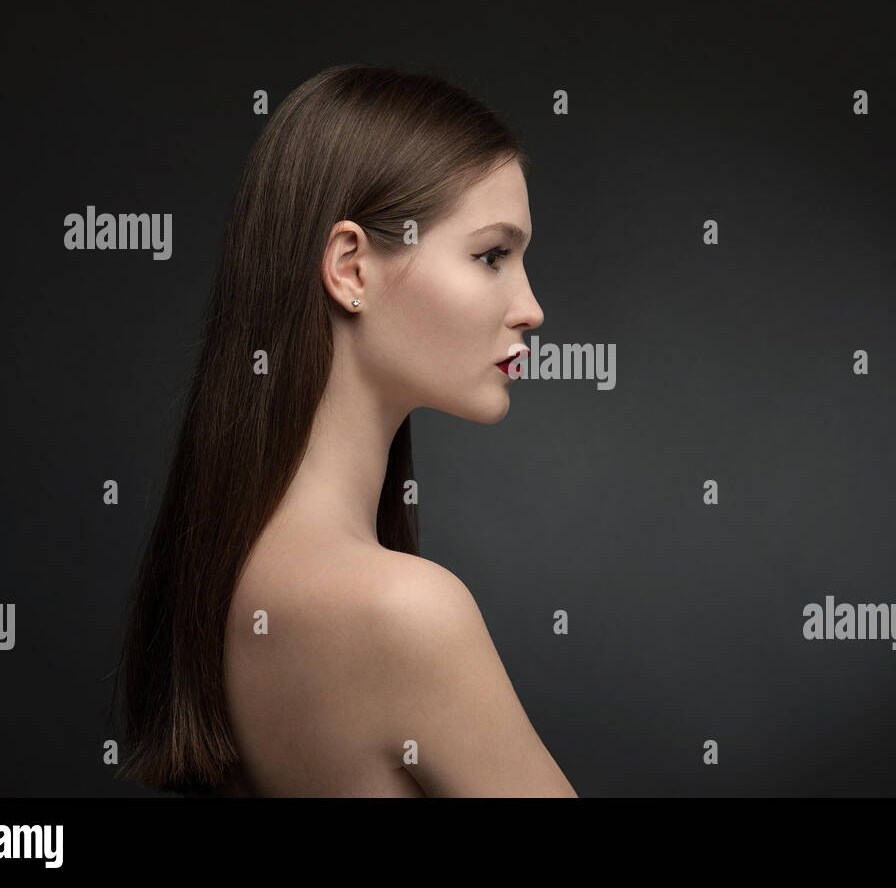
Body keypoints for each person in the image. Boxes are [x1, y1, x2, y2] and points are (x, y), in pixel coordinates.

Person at [112, 64, 576, 797]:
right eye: (492, 254)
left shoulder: (226, 577)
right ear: (350, 268)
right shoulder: (404, 611)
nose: (531, 306)